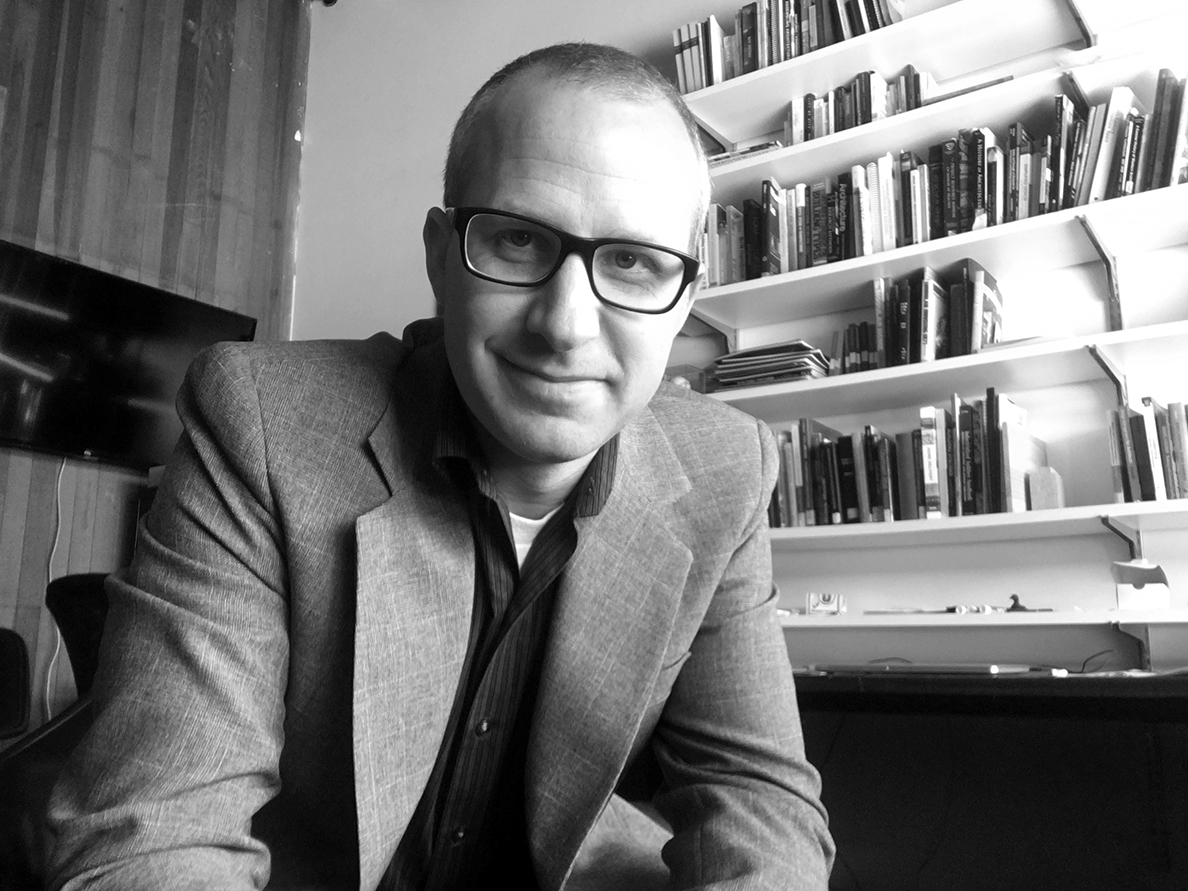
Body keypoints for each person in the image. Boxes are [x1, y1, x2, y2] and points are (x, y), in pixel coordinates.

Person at [47, 42, 834, 890]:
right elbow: (156, 835)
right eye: (518, 240)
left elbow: (759, 803)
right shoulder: (262, 423)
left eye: (634, 262)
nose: (565, 326)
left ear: (684, 300)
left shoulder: (725, 469)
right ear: (440, 254)